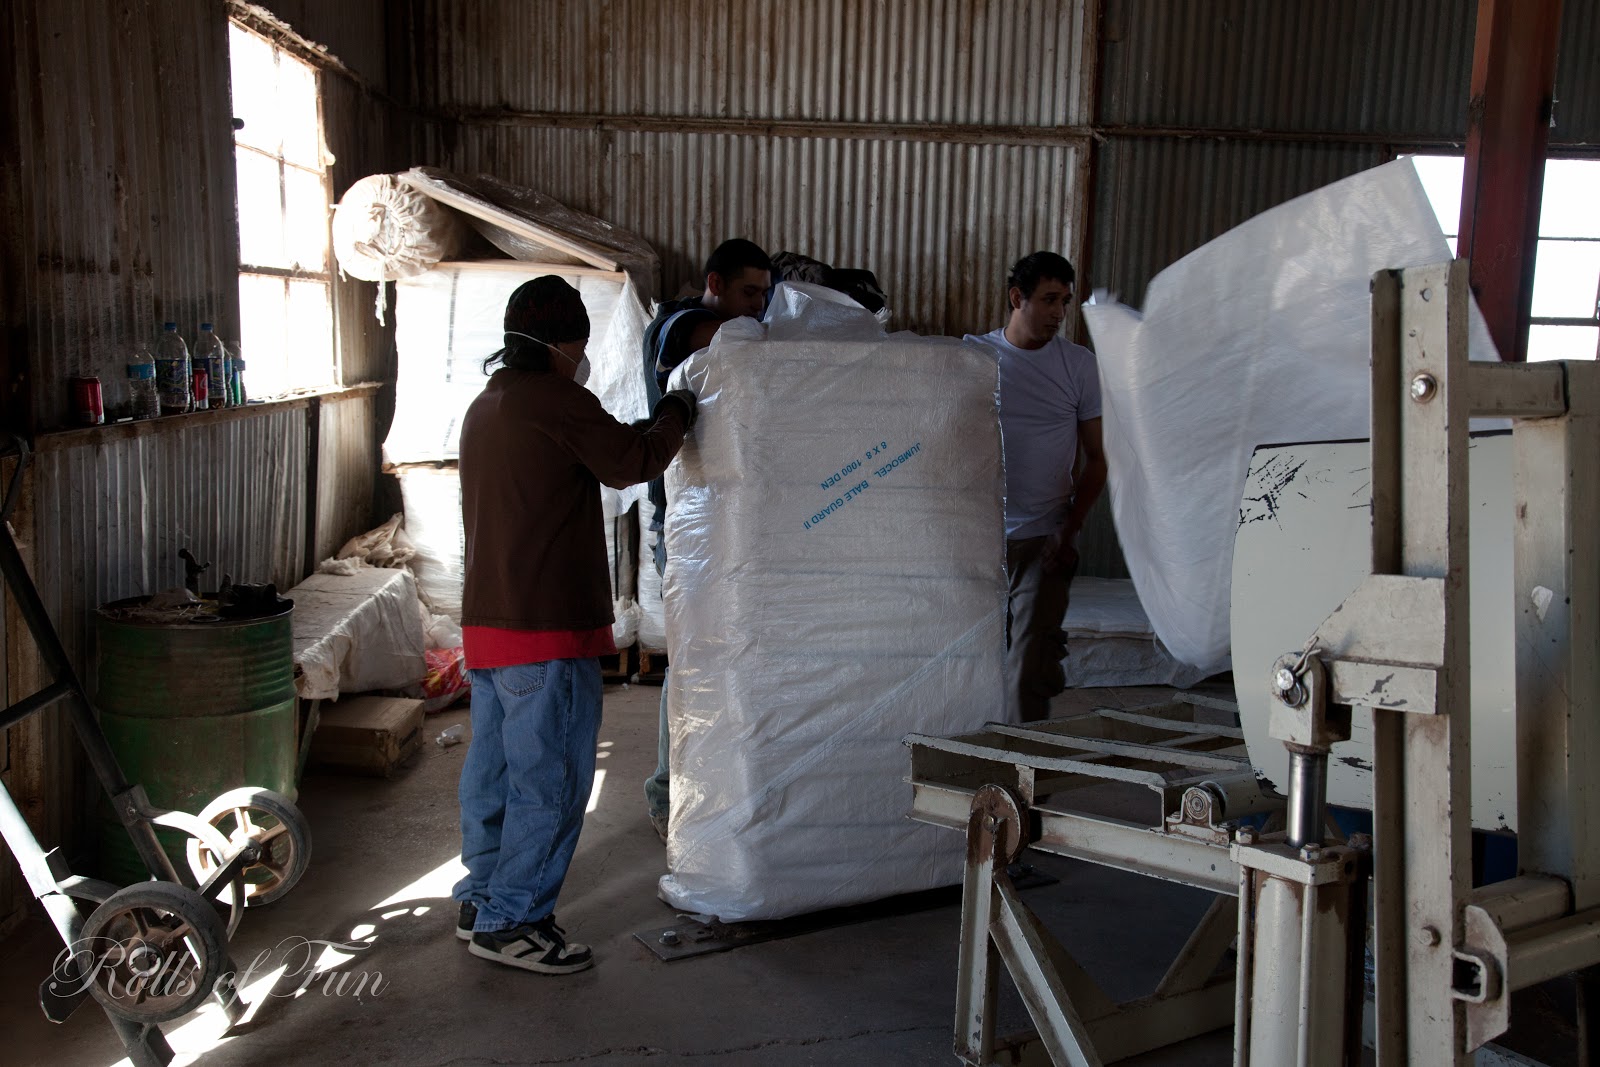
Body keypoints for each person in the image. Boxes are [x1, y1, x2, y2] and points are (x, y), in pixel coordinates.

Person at [454, 276, 696, 973]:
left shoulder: (486, 405)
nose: (580, 357)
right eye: (579, 345)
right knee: (553, 777)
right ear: (563, 346)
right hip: (545, 626)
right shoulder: (556, 400)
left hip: (491, 627)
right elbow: (632, 459)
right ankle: (516, 918)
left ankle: (482, 898)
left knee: (495, 771)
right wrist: (675, 411)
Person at [640, 239, 773, 842]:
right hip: (690, 524)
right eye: (748, 293)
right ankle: (670, 794)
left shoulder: (720, 322)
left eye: (765, 296)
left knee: (724, 656)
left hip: (727, 519)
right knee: (692, 659)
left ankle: (718, 782)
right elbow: (725, 347)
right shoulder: (684, 324)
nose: (756, 309)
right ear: (714, 283)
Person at [967, 252, 1107, 723]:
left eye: (1065, 302)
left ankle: (1023, 772)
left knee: (1029, 661)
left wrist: (1068, 530)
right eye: (1048, 300)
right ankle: (976, 756)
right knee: (973, 660)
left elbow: (1098, 458)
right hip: (978, 537)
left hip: (1045, 535)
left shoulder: (1078, 366)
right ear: (1016, 298)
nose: (1058, 313)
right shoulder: (973, 358)